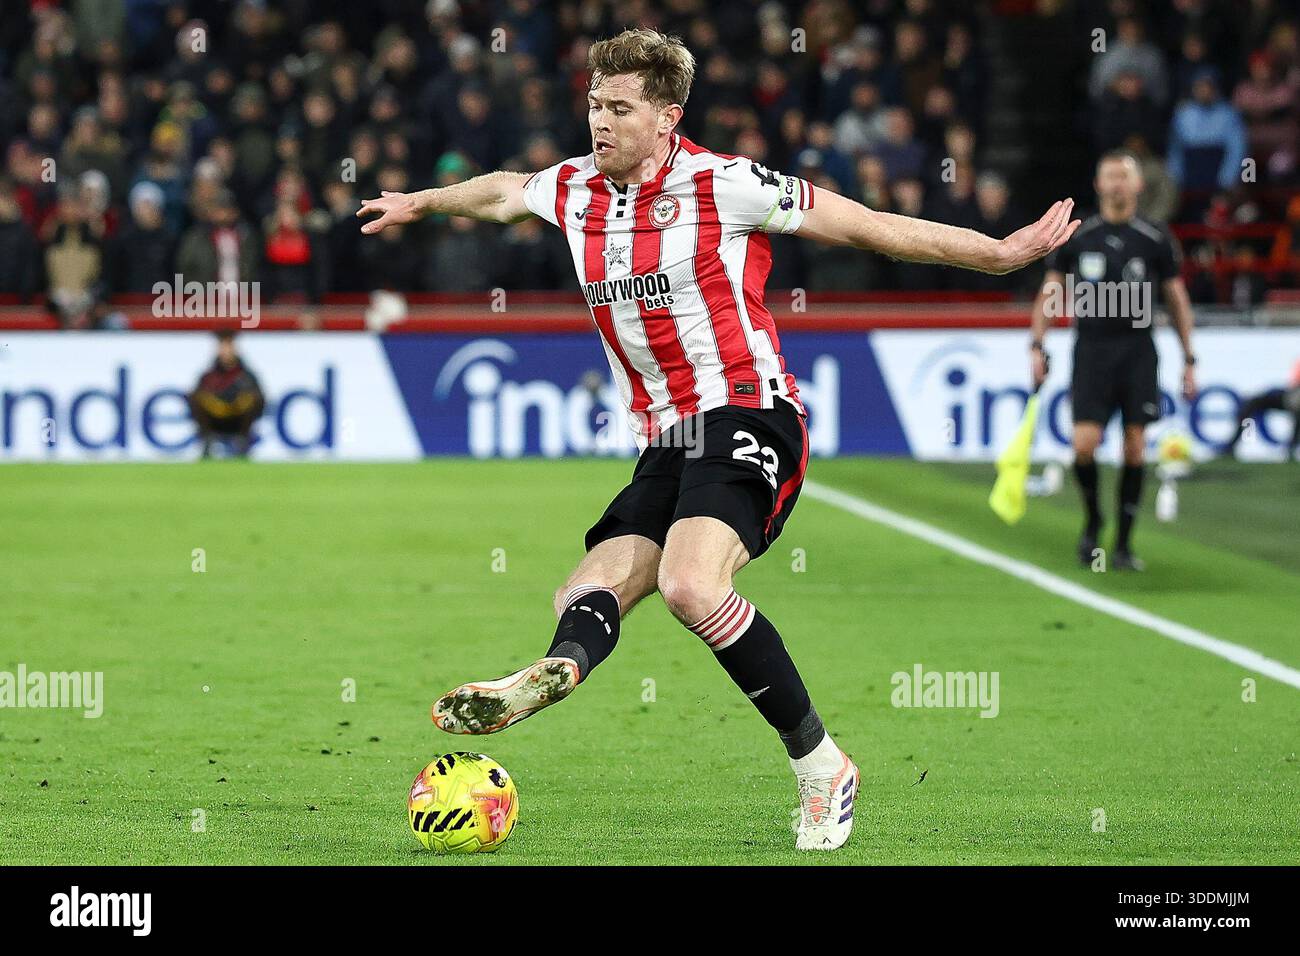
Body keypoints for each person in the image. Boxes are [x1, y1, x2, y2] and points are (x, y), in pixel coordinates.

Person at [358, 28, 1078, 852]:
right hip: (666, 438)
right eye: (593, 103)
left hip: (749, 411)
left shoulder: (726, 183)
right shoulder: (573, 189)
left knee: (691, 585)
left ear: (667, 117)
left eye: (619, 108)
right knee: (583, 594)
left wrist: (996, 254)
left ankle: (823, 768)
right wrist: (419, 202)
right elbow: (497, 191)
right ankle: (553, 673)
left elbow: (869, 225)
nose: (599, 120)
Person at [1029, 150, 1197, 571]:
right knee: (1083, 444)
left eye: (1125, 176)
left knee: (1136, 448)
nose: (1118, 183)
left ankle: (1122, 543)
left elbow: (1176, 299)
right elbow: (1052, 291)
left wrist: (1189, 356)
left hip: (1139, 351)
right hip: (1092, 351)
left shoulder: (1155, 237)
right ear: (1098, 184)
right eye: (1110, 176)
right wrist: (1037, 344)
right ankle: (1093, 520)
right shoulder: (1080, 235)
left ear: (1139, 186)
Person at [188, 330, 265, 458]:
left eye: (229, 347)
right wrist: (217, 406)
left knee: (255, 398)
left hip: (239, 420)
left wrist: (237, 404)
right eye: (223, 347)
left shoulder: (247, 375)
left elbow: (259, 398)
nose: (226, 351)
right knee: (194, 397)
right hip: (213, 421)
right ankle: (207, 440)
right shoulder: (208, 376)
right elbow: (199, 395)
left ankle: (242, 441)